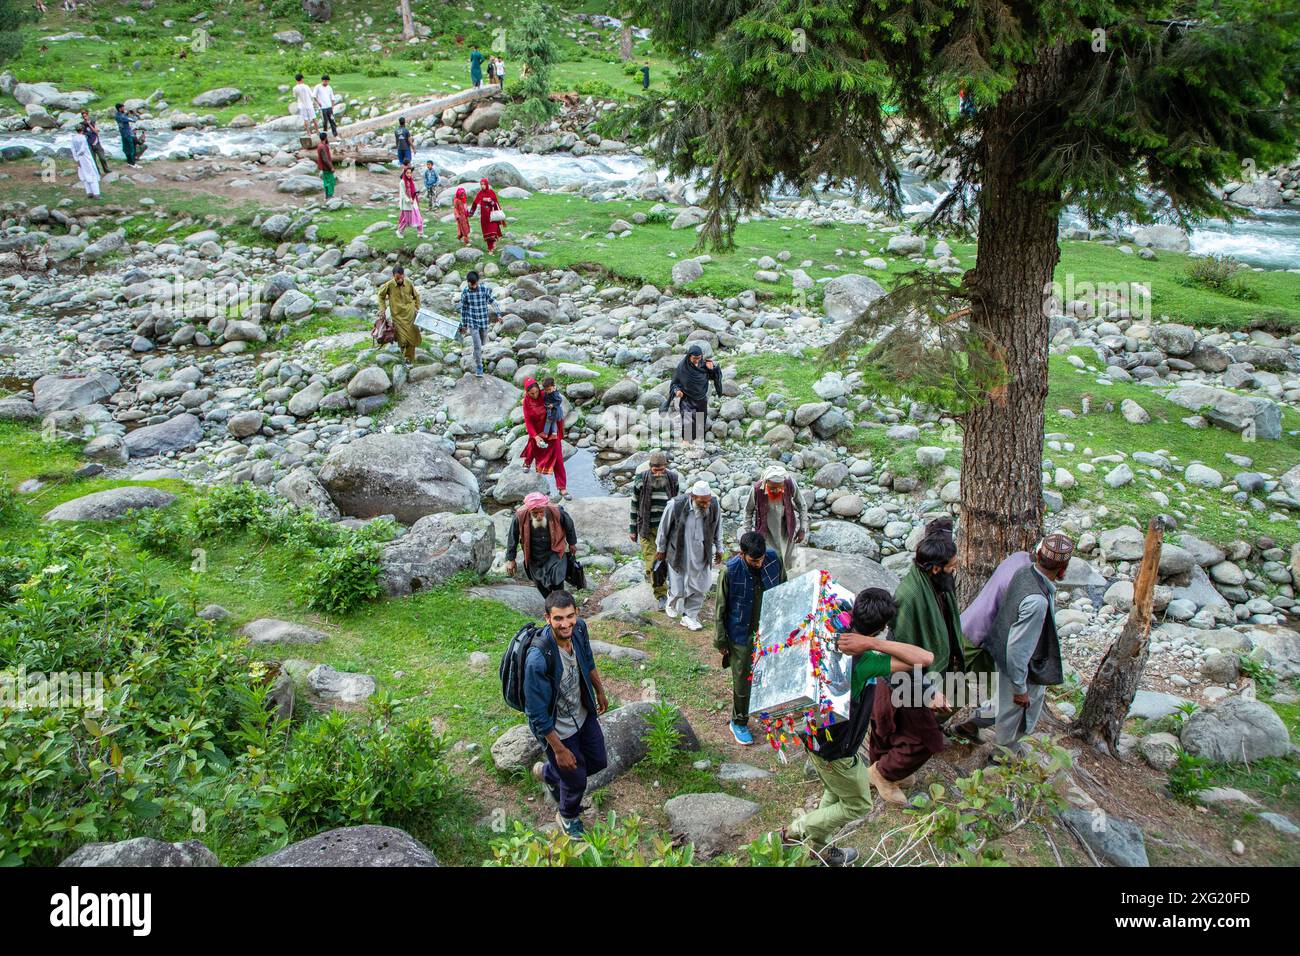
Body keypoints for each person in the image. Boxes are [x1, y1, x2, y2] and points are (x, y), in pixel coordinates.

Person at [780, 588, 935, 866]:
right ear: (880, 628)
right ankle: (794, 832)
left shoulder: (828, 626)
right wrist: (873, 643)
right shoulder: (865, 662)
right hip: (837, 748)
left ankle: (817, 849)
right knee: (859, 804)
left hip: (813, 732)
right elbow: (925, 659)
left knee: (835, 791)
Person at [867, 517, 988, 803]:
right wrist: (929, 692)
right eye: (951, 568)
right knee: (925, 739)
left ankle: (888, 771)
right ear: (935, 568)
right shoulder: (909, 598)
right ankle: (882, 774)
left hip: (927, 674)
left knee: (902, 730)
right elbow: (902, 652)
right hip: (905, 678)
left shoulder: (936, 585)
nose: (954, 572)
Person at [524, 590, 609, 837]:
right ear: (547, 618)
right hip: (557, 727)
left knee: (597, 761)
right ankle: (567, 815)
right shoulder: (538, 659)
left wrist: (600, 691)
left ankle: (549, 773)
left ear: (577, 614)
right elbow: (537, 713)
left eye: (570, 616)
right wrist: (559, 750)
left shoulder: (579, 629)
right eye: (558, 618)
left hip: (582, 711)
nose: (566, 624)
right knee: (576, 781)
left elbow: (588, 661)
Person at [980, 535, 1072, 754]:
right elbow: (1018, 650)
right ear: (1063, 569)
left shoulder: (1025, 572)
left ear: (1038, 555)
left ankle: (973, 724)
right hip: (1019, 668)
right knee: (1014, 716)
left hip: (1000, 652)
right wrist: (1020, 689)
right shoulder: (1037, 601)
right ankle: (1002, 756)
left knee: (1000, 702)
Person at [713, 531, 782, 744]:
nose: (760, 563)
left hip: (769, 629)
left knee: (769, 673)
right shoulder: (729, 571)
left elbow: (784, 589)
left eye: (761, 559)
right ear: (742, 554)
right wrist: (721, 641)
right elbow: (720, 610)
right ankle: (739, 722)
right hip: (740, 633)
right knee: (743, 681)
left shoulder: (774, 560)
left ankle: (766, 711)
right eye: (754, 560)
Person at [655, 480, 723, 631]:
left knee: (700, 586)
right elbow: (663, 528)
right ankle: (672, 597)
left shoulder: (714, 505)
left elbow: (718, 526)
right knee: (679, 588)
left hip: (702, 554)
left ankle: (690, 616)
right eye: (701, 502)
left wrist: (719, 548)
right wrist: (660, 548)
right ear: (692, 496)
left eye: (707, 501)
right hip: (680, 553)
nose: (705, 505)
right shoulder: (676, 505)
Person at [628, 451, 679, 611]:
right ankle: (661, 595)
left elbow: (676, 502)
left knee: (665, 560)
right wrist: (632, 529)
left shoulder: (672, 478)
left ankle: (660, 581)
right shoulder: (640, 479)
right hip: (646, 527)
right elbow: (635, 503)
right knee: (653, 562)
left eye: (661, 469)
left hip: (667, 528)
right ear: (650, 468)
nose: (658, 473)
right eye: (655, 470)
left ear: (666, 467)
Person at [742, 463, 808, 579]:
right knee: (768, 563)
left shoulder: (790, 484)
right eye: (772, 488)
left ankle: (783, 583)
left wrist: (802, 528)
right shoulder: (757, 489)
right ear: (766, 483)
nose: (777, 490)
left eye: (780, 487)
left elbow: (802, 505)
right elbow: (748, 511)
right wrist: (748, 535)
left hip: (786, 531)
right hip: (765, 533)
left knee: (786, 563)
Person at [506, 493, 578, 598]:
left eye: (541, 512)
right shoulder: (520, 515)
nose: (539, 516)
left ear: (545, 508)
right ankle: (550, 604)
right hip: (534, 555)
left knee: (557, 580)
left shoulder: (556, 511)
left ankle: (560, 602)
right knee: (540, 583)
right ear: (529, 510)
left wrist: (572, 543)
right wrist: (511, 559)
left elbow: (569, 525)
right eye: (535, 513)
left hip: (555, 551)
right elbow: (513, 537)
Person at [668, 344, 722, 450]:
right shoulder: (682, 367)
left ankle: (698, 439)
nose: (697, 360)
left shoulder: (704, 365)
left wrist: (712, 369)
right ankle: (686, 441)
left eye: (699, 358)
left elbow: (712, 376)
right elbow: (675, 383)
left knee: (701, 417)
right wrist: (677, 391)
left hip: (701, 397)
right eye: (694, 358)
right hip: (687, 397)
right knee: (688, 418)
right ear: (689, 356)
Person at [521, 377, 569, 498]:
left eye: (537, 392)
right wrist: (535, 436)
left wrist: (554, 388)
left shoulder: (545, 395)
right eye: (532, 393)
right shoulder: (526, 402)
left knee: (558, 459)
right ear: (527, 392)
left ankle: (562, 487)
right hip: (537, 430)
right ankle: (527, 462)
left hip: (551, 430)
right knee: (533, 446)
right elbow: (528, 420)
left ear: (539, 389)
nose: (535, 395)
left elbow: (556, 398)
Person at [375, 265, 421, 363]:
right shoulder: (389, 285)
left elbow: (416, 296)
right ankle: (403, 353)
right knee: (403, 340)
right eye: (397, 278)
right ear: (393, 276)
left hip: (410, 315)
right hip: (398, 317)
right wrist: (382, 309)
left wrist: (417, 308)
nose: (399, 280)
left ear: (403, 275)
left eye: (401, 278)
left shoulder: (409, 283)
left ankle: (409, 359)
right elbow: (380, 296)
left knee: (412, 339)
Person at [456, 269, 496, 378]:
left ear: (478, 281)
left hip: (483, 322)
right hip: (473, 323)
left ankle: (476, 354)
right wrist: (463, 325)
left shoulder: (483, 289)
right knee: (477, 345)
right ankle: (479, 367)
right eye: (471, 284)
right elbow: (463, 310)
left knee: (483, 343)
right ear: (468, 282)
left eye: (475, 284)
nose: (473, 286)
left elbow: (492, 301)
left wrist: (499, 314)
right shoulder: (465, 292)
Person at [469, 178, 504, 253]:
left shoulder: (491, 192)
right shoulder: (480, 194)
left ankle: (492, 246)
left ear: (487, 184)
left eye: (484, 184)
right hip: (484, 218)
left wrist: (490, 201)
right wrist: (471, 213)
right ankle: (490, 249)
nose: (483, 186)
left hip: (492, 217)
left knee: (493, 231)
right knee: (488, 233)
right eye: (481, 184)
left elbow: (495, 203)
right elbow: (475, 203)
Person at [70, 126, 101, 198]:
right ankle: (96, 193)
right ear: (82, 130)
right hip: (86, 158)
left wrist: (76, 159)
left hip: (79, 159)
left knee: (84, 174)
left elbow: (73, 149)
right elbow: (83, 149)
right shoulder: (83, 138)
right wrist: (78, 154)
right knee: (92, 174)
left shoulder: (73, 138)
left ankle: (89, 192)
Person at [396, 165, 425, 239]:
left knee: (419, 217)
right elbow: (402, 194)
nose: (409, 174)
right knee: (406, 220)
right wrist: (408, 200)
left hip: (414, 202)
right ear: (405, 173)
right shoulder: (402, 182)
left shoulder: (412, 181)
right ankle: (399, 232)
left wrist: (416, 193)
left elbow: (413, 191)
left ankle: (420, 233)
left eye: (410, 173)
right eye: (407, 173)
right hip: (406, 204)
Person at [79, 110, 109, 175]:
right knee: (93, 160)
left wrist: (89, 124)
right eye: (83, 116)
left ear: (88, 115)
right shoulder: (81, 124)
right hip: (89, 144)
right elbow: (81, 134)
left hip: (96, 142)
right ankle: (97, 172)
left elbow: (96, 131)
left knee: (102, 158)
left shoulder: (93, 122)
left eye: (86, 116)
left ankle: (106, 169)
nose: (85, 118)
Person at [315, 132, 335, 199]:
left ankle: (327, 196)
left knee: (326, 181)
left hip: (323, 167)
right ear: (326, 138)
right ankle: (329, 195)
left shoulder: (319, 145)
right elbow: (325, 159)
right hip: (326, 167)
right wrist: (331, 167)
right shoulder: (323, 147)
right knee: (331, 181)